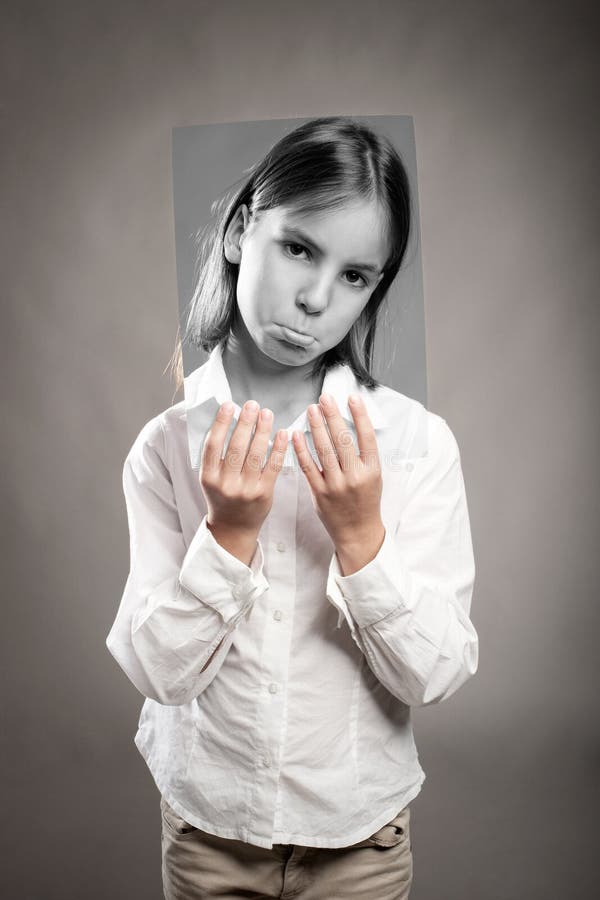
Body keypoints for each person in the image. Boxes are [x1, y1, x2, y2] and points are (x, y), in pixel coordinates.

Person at [106, 116, 478, 900]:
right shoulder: (166, 447)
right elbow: (157, 675)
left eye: (356, 276)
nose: (314, 300)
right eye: (300, 248)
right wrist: (229, 534)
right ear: (243, 231)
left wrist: (361, 537)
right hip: (208, 830)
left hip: (361, 841)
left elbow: (436, 674)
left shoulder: (413, 442)